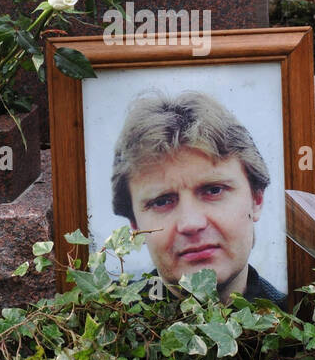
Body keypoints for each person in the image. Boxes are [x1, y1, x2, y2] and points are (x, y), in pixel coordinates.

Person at [110, 90, 286, 307]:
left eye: (214, 190)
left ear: (256, 199)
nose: (191, 224)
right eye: (162, 201)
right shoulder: (100, 325)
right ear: (135, 225)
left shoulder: (303, 325)